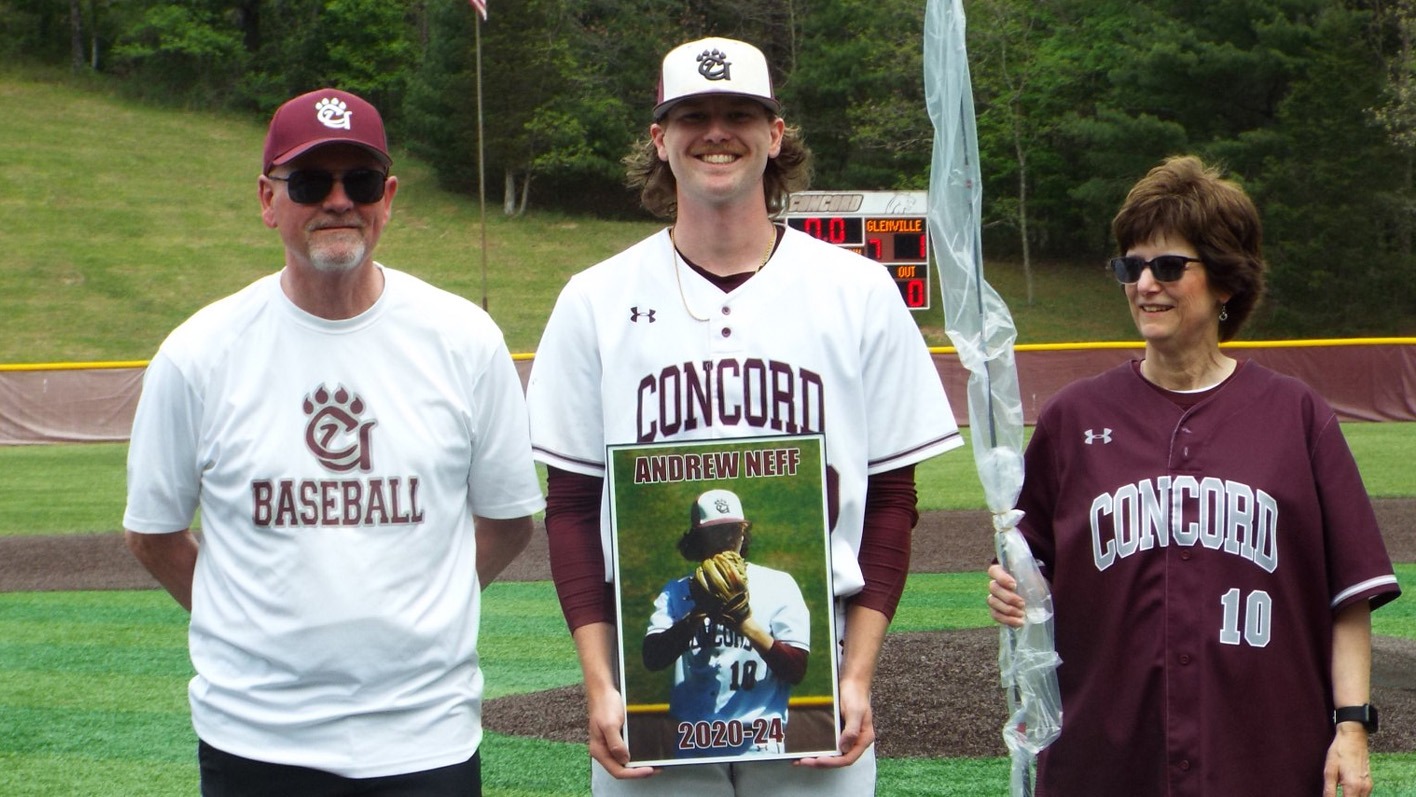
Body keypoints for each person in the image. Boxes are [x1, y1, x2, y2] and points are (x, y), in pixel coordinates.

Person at [525, 36, 963, 795]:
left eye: (740, 113)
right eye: (693, 114)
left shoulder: (856, 292)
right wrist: (600, 680)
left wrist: (856, 674)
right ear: (660, 140)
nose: (717, 131)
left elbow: (894, 500)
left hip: (813, 689)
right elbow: (570, 508)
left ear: (776, 134)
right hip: (650, 705)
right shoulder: (593, 300)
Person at [122, 87, 545, 796]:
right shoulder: (199, 353)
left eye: (363, 181)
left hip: (425, 735)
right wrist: (248, 626)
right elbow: (153, 534)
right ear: (268, 199)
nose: (340, 200)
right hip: (255, 735)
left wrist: (423, 613)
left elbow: (507, 521)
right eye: (312, 181)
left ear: (390, 197)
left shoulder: (465, 340)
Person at [986, 155, 1401, 796]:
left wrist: (1351, 729)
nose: (1145, 283)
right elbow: (1029, 572)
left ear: (1226, 282)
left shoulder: (1296, 415)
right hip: (1108, 755)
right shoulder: (1073, 418)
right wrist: (1011, 591)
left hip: (1265, 751)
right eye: (1131, 266)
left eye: (1169, 266)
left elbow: (1349, 595)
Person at [642, 489, 811, 759]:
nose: (726, 540)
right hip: (693, 743)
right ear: (697, 539)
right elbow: (652, 657)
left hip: (761, 744)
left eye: (732, 531)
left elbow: (796, 669)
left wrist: (745, 624)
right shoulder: (677, 592)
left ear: (743, 534)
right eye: (715, 533)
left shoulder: (779, 585)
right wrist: (697, 614)